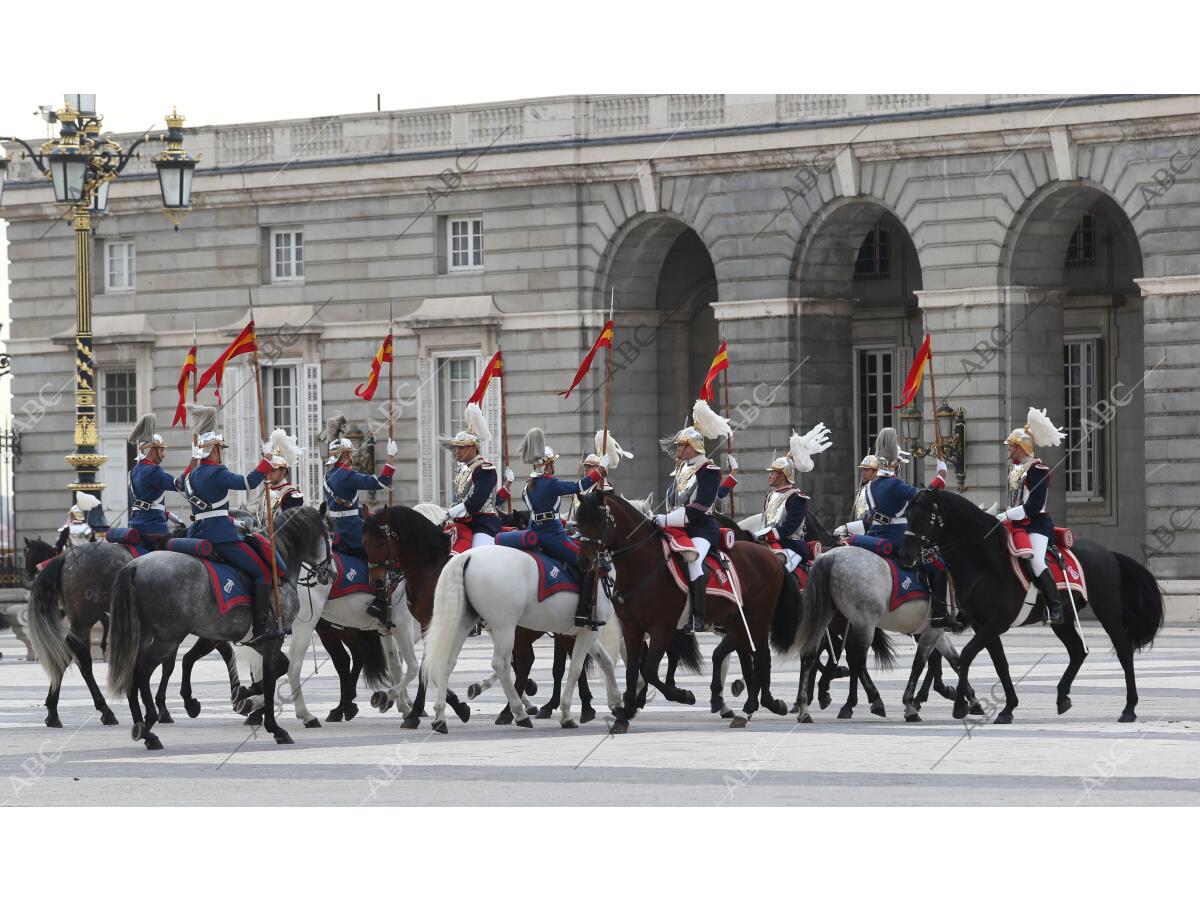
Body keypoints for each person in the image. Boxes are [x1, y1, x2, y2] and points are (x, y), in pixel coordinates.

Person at [177, 405, 278, 647]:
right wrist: (266, 461)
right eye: (220, 449)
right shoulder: (217, 472)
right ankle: (261, 627)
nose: (222, 453)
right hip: (221, 536)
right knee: (262, 572)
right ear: (214, 450)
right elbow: (248, 482)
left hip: (197, 532)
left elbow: (180, 484)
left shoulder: (191, 476)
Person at [835, 427, 953, 628]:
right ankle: (940, 613)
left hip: (873, 535)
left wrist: (847, 528)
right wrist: (941, 473)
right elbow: (927, 495)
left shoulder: (871, 486)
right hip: (897, 540)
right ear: (896, 465)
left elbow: (870, 520)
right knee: (938, 565)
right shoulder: (895, 485)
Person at [498, 428, 607, 629]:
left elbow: (541, 513)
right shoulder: (550, 483)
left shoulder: (528, 485)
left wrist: (565, 523)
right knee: (588, 564)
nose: (554, 466)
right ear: (547, 465)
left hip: (537, 530)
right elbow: (579, 487)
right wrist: (599, 471)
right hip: (552, 536)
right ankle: (583, 613)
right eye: (553, 463)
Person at [654, 400, 737, 634]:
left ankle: (700, 616)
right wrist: (663, 517)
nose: (677, 450)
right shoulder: (681, 469)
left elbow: (701, 505)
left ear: (691, 447)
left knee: (693, 561)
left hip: (701, 529)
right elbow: (674, 500)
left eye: (680, 446)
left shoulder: (708, 470)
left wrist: (668, 520)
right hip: (678, 528)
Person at [319, 415, 395, 623]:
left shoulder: (329, 475)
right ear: (345, 455)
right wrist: (390, 458)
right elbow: (382, 482)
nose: (352, 457)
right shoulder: (348, 475)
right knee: (384, 551)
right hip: (351, 529)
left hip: (334, 529)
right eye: (350, 454)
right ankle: (380, 599)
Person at [1000, 407, 1067, 625]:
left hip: (1036, 524)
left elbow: (1032, 507)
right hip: (1016, 523)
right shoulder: (1015, 468)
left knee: (1036, 561)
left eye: (1011, 445)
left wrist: (1003, 516)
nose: (1008, 449)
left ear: (1020, 446)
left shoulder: (1037, 469)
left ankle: (1055, 606)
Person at [754, 423, 831, 575]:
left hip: (791, 546)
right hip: (770, 544)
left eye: (773, 473)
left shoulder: (796, 498)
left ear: (783, 475)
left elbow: (790, 527)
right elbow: (766, 520)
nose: (770, 475)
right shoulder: (771, 496)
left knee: (780, 573)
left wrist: (771, 534)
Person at [442, 402, 511, 548]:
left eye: (462, 448)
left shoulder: (485, 469)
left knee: (479, 552)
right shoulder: (462, 469)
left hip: (483, 524)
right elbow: (458, 498)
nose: (457, 452)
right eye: (457, 448)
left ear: (474, 448)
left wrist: (451, 512)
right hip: (462, 522)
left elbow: (477, 501)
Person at [126, 414, 179, 549]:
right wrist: (194, 463)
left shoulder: (132, 472)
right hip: (154, 529)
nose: (163, 455)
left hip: (135, 525)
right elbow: (179, 485)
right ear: (151, 450)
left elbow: (147, 501)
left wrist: (171, 516)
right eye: (161, 450)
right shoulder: (153, 470)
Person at [257, 431, 305, 523]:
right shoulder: (267, 491)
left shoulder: (291, 494)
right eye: (268, 469)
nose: (268, 473)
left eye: (273, 470)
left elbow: (290, 526)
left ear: (283, 471)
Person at [853, 454, 880, 524]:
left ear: (876, 471)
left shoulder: (880, 489)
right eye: (862, 470)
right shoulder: (864, 490)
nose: (862, 474)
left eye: (866, 470)